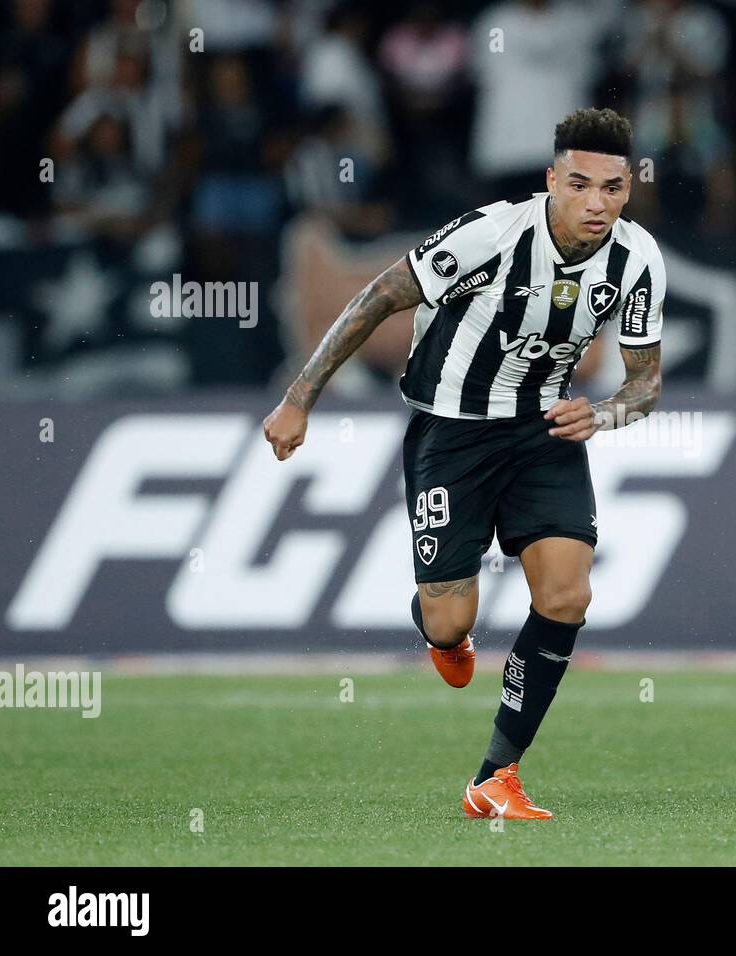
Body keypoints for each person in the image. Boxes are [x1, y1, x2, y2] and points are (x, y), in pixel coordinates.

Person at [262, 108, 664, 820]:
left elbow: (646, 383)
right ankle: (440, 632)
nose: (597, 202)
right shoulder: (492, 233)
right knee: (451, 622)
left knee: (567, 596)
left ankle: (496, 776)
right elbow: (378, 296)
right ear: (551, 181)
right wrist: (300, 398)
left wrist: (600, 415)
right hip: (451, 433)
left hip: (546, 429)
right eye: (580, 184)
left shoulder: (638, 261)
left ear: (628, 189)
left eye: (613, 187)